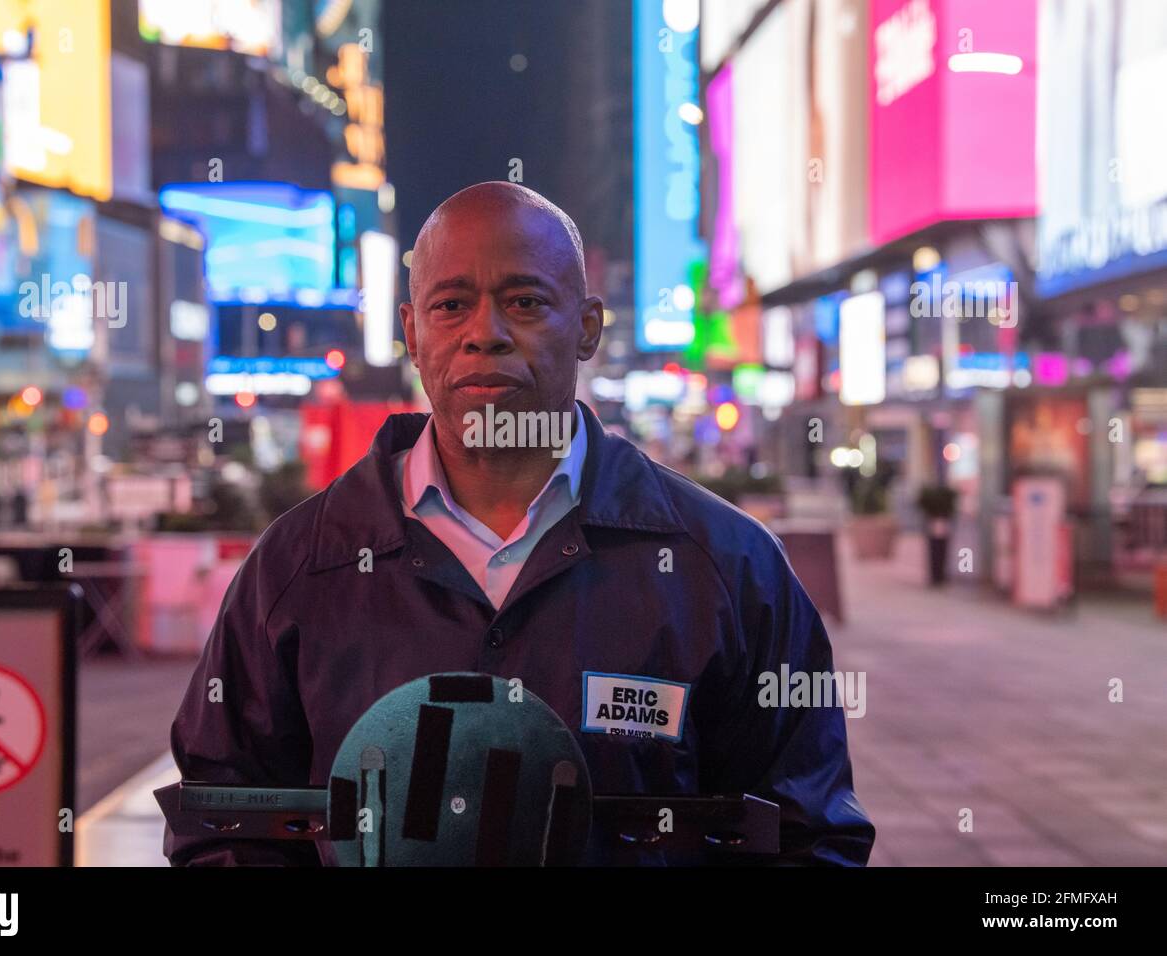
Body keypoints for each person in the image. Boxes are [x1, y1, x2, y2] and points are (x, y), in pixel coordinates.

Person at [164, 182, 875, 866]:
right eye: (451, 305)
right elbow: (221, 816)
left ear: (589, 327)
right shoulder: (300, 566)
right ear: (412, 332)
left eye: (526, 302)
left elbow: (805, 833)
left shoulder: (724, 566)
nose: (486, 335)